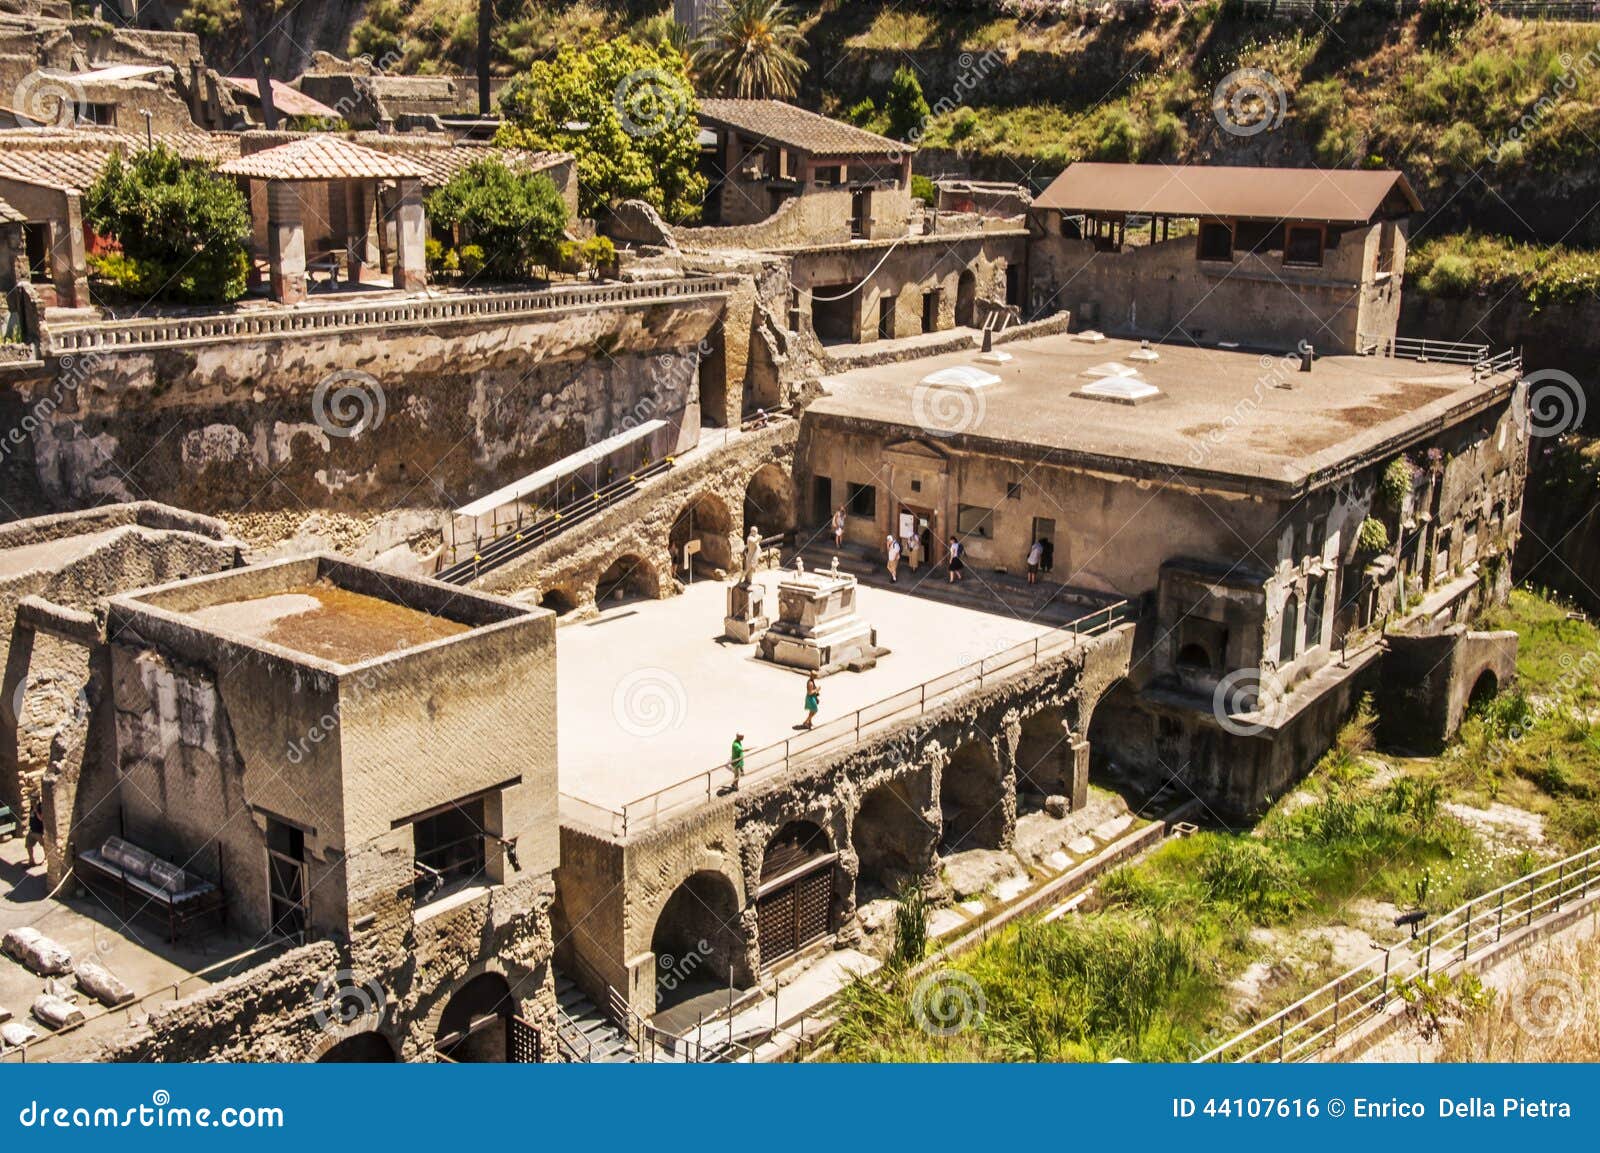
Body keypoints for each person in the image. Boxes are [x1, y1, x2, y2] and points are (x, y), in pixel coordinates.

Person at [25, 802, 43, 867]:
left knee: (44, 846)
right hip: (31, 830)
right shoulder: (31, 807)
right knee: (28, 845)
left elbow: (41, 819)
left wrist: (36, 811)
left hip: (39, 831)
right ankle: (31, 860)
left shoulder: (40, 807)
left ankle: (46, 859)